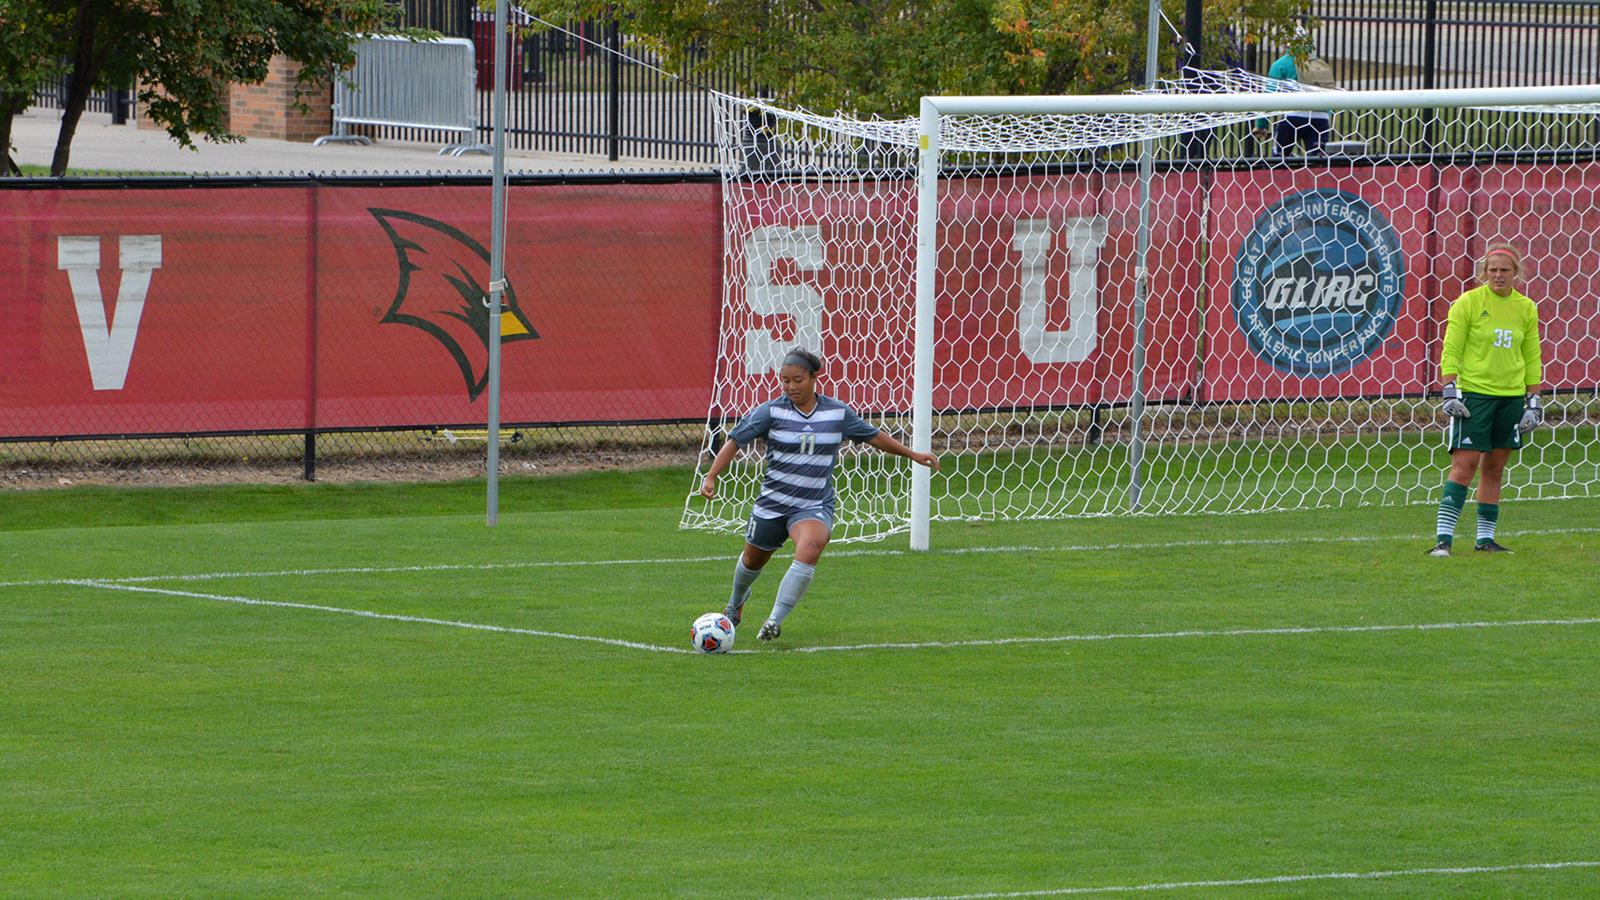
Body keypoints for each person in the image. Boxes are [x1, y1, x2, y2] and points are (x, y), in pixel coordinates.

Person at [699, 348, 940, 641]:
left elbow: (874, 436)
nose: (790, 387)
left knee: (811, 546)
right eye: (785, 381)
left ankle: (774, 620)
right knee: (752, 561)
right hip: (772, 503)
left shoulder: (837, 413)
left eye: (797, 380)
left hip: (812, 504)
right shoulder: (771, 411)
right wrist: (712, 476)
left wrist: (912, 454)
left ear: (814, 378)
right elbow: (735, 441)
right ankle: (736, 602)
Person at [1428, 244, 1544, 556]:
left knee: (1494, 468)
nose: (1498, 275)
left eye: (1504, 270)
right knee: (1464, 465)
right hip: (1475, 395)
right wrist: (1449, 389)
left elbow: (1532, 355)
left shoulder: (1526, 308)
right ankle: (1443, 541)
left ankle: (1485, 539)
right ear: (1484, 272)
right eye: (1492, 269)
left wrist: (1533, 400)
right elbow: (1451, 348)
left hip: (1510, 398)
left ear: (1516, 273)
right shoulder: (1467, 303)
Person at [1253, 43, 1335, 156]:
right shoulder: (1319, 66)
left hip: (1292, 117)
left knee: (1279, 159)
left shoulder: (1281, 64)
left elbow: (1269, 96)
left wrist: (1261, 125)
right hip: (1320, 118)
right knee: (1318, 161)